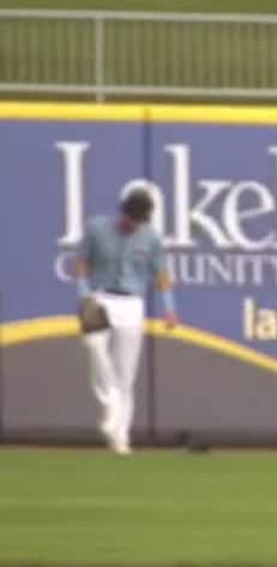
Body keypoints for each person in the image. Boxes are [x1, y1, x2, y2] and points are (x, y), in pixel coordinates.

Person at [74, 187, 178, 455]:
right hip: (100, 297)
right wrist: (84, 294)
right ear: (123, 212)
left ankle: (120, 436)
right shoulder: (96, 228)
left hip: (132, 302)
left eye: (139, 220)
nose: (134, 224)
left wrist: (169, 308)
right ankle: (110, 402)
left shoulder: (151, 238)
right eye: (131, 218)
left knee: (126, 373)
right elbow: (83, 262)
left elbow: (161, 273)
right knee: (94, 347)